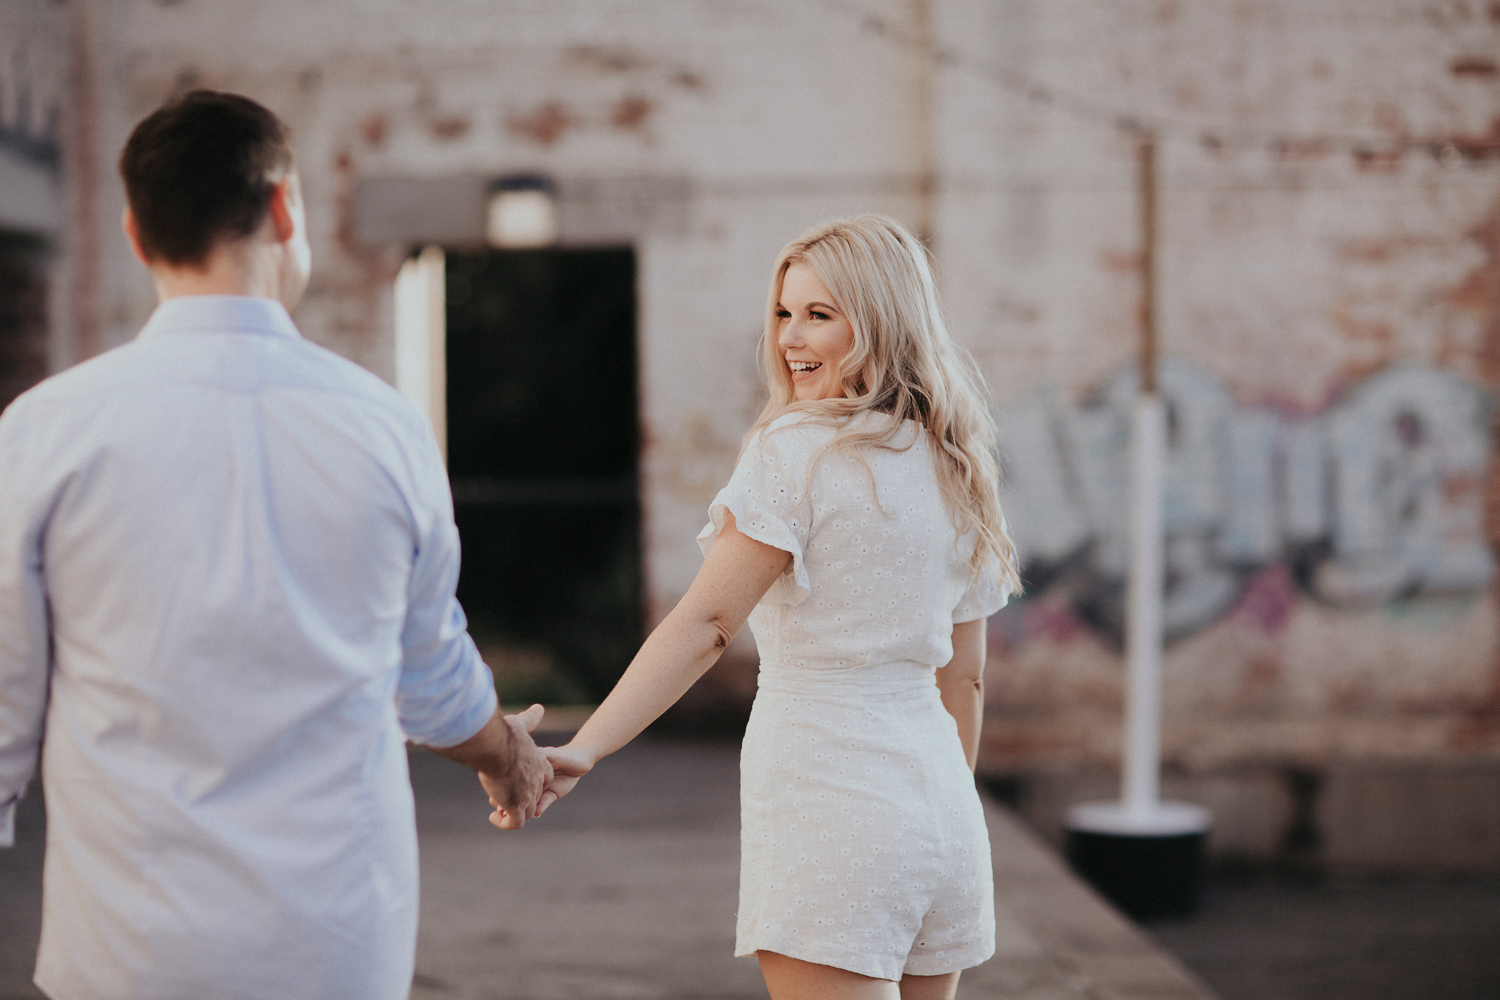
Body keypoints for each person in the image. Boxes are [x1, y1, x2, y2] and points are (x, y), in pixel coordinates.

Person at [0, 90, 552, 1000]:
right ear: (286, 207)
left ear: (137, 235)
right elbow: (430, 676)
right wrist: (508, 757)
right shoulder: (384, 428)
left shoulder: (45, 430)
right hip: (334, 940)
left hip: (126, 945)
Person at [529, 215, 1021, 1000]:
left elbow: (708, 624)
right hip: (945, 821)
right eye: (786, 313)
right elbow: (966, 681)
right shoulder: (957, 464)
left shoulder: (797, 452)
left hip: (834, 812)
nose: (792, 337)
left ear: (881, 324)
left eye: (821, 315)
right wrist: (933, 821)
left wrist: (584, 749)